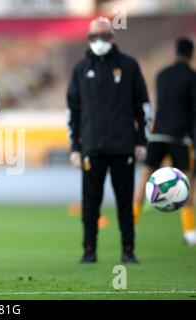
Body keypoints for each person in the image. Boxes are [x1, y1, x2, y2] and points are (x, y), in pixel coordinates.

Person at [67, 17, 150, 264]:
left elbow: (142, 107)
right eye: (93, 37)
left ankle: (128, 250)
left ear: (113, 38)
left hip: (123, 146)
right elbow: (73, 111)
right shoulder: (81, 68)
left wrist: (141, 141)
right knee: (90, 204)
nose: (98, 41)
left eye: (103, 36)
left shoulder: (128, 66)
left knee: (125, 203)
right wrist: (75, 147)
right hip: (91, 147)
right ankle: (89, 250)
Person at [133, 38, 196, 246]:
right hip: (180, 136)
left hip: (158, 133)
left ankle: (132, 225)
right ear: (191, 54)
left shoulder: (162, 75)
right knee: (187, 180)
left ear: (175, 53)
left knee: (144, 177)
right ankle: (189, 232)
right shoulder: (192, 77)